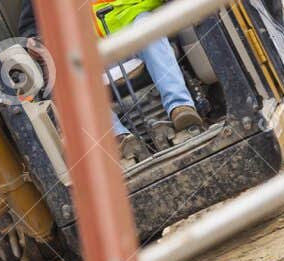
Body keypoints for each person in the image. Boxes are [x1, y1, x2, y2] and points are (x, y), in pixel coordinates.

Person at [17, 0, 203, 162]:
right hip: (86, 53)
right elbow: (30, 27)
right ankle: (118, 137)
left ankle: (180, 108)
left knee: (147, 25)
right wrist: (34, 41)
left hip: (130, 29)